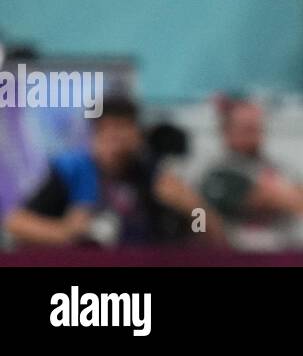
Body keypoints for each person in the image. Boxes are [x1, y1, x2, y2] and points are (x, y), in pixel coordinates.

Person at [4, 97, 224, 248]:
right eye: (107, 131)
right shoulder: (73, 171)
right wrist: (65, 232)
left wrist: (193, 206)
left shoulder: (153, 174)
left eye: (123, 129)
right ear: (94, 136)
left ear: (137, 134)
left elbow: (212, 237)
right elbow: (15, 223)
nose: (116, 139)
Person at [199, 95, 303, 250]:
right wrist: (296, 199)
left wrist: (288, 198)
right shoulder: (219, 174)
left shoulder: (279, 168)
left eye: (257, 129)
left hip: (290, 253)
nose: (255, 136)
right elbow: (261, 200)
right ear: (226, 132)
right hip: (244, 256)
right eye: (247, 129)